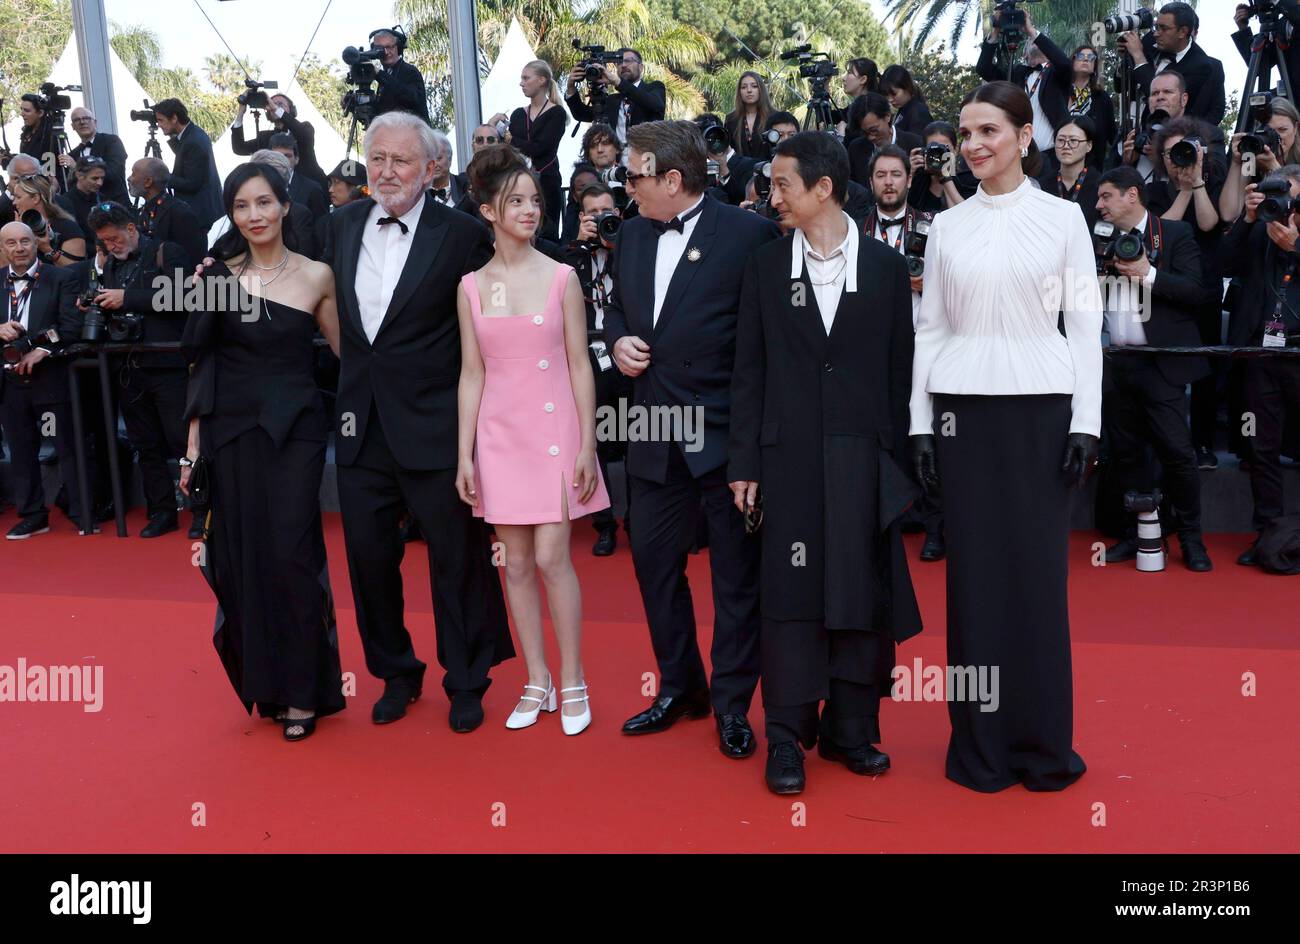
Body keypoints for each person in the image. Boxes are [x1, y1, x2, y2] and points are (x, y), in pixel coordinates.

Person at [909, 81, 1101, 792]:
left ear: (1026, 136)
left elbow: (1086, 328)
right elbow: (931, 331)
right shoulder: (946, 227)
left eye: (989, 130)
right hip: (962, 413)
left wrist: (1087, 422)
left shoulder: (1064, 220)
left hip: (1043, 414)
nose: (974, 145)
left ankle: (1043, 745)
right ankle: (981, 748)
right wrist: (921, 424)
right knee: (974, 585)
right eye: (965, 133)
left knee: (1038, 585)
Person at [728, 131, 921, 794]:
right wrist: (743, 464)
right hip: (788, 461)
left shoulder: (890, 272)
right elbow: (747, 372)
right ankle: (785, 737)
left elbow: (902, 377)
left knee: (860, 596)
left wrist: (895, 464)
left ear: (823, 189)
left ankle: (850, 730)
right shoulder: (764, 266)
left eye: (782, 183)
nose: (770, 194)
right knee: (789, 600)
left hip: (864, 461)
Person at [323, 110, 513, 733]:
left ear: (432, 169)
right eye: (377, 159)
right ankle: (395, 672)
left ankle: (466, 678)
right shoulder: (338, 225)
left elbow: (496, 314)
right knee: (368, 559)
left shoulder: (461, 234)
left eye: (400, 160)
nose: (385, 172)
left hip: (436, 423)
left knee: (455, 558)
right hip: (359, 422)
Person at [603, 120, 780, 758]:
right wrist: (617, 338)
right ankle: (682, 687)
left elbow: (766, 343)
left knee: (736, 580)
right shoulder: (628, 236)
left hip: (724, 439)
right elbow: (619, 308)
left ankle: (733, 707)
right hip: (652, 431)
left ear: (672, 179)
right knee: (653, 565)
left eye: (635, 175)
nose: (626, 186)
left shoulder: (750, 234)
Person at [178, 162, 343, 741]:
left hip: (295, 429)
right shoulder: (217, 277)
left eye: (264, 203)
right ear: (232, 214)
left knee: (293, 553)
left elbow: (349, 355)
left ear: (285, 206)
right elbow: (203, 364)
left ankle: (305, 691)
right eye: (242, 206)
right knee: (245, 558)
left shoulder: (318, 275)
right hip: (232, 433)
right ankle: (269, 687)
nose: (254, 216)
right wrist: (194, 444)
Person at [455, 145, 607, 735]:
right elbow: (472, 373)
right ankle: (535, 678)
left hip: (554, 431)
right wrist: (463, 451)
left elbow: (578, 366)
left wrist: (588, 444)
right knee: (514, 563)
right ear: (489, 210)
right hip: (498, 435)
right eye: (515, 201)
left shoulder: (562, 277)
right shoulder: (470, 287)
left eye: (535, 201)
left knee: (549, 556)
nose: (528, 211)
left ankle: (573, 678)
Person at [1094, 165, 1213, 571]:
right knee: (1127, 456)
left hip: (1162, 363)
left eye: (1106, 196)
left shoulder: (1174, 234)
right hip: (1118, 363)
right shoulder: (1098, 239)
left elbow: (1199, 293)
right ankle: (1137, 535)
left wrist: (1149, 273)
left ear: (1132, 195)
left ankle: (1192, 540)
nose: (1099, 205)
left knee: (1178, 453)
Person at [83, 201, 196, 539]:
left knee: (183, 444)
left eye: (115, 238)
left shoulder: (166, 252)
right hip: (128, 367)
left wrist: (126, 298)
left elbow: (184, 298)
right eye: (104, 242)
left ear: (132, 229)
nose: (111, 246)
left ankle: (207, 512)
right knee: (145, 444)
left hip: (167, 364)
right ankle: (161, 511)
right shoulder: (111, 267)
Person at [1221, 168, 1300, 566]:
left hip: (1298, 353)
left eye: (1290, 198)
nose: (1282, 206)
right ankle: (1269, 532)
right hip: (1260, 354)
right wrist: (1248, 218)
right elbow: (1221, 264)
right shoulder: (1257, 226)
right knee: (1261, 448)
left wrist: (1297, 247)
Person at [1147, 116, 1226, 469]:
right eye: (1168, 152)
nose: (1174, 158)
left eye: (1183, 150)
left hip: (1204, 290)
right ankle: (1163, 442)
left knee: (1205, 369)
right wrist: (1182, 188)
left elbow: (1210, 223)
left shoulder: (1211, 184)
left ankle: (1203, 444)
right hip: (1164, 290)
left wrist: (1196, 184)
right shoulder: (1152, 192)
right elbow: (1162, 232)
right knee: (1164, 370)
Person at [0, 221, 86, 539]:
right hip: (9, 383)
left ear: (36, 243)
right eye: (11, 243)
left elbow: (71, 326)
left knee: (67, 447)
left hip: (49, 378)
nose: (19, 248)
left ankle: (81, 512)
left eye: (25, 241)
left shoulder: (61, 277)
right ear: (3, 248)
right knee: (21, 452)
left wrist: (42, 349)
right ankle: (33, 515)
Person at [562, 182, 632, 554]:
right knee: (597, 442)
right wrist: (579, 245)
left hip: (631, 352)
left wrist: (615, 244)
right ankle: (604, 524)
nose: (604, 218)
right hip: (589, 356)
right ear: (582, 216)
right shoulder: (569, 256)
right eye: (594, 213)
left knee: (640, 438)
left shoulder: (633, 246)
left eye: (609, 211)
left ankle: (637, 520)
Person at [976, 9, 1074, 163]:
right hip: (1017, 157)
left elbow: (1064, 63)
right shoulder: (1016, 73)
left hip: (1050, 157)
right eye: (1029, 41)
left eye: (1035, 40)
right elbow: (983, 69)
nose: (1033, 42)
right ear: (1024, 54)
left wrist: (1030, 31)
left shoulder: (1057, 73)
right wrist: (996, 30)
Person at [488, 61, 567, 242]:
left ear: (541, 80)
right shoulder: (518, 114)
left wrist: (512, 139)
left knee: (547, 235)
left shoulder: (557, 113)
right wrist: (493, 125)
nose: (521, 83)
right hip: (518, 181)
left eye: (526, 78)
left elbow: (542, 148)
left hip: (547, 181)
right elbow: (505, 149)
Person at [1119, 2, 1226, 127]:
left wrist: (1138, 56)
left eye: (1164, 28)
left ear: (1182, 32)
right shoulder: (1150, 40)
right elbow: (1119, 85)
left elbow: (1159, 97)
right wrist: (1125, 59)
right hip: (1138, 130)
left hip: (1174, 135)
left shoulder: (1201, 65)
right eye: (1156, 27)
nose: (1156, 33)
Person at [566, 49, 665, 146]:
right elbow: (582, 114)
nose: (624, 65)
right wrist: (570, 87)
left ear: (641, 67)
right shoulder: (612, 100)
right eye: (619, 62)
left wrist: (617, 82)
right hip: (616, 160)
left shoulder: (655, 87)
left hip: (646, 158)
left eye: (628, 61)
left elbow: (655, 104)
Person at [230, 92, 328, 190]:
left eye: (280, 104)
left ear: (291, 109)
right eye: (271, 103)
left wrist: (276, 109)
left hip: (313, 190)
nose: (274, 106)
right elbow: (239, 148)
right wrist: (240, 114)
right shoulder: (265, 138)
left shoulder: (304, 128)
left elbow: (302, 133)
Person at [154, 99, 222, 230]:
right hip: (202, 208)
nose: (158, 125)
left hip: (199, 212)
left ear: (174, 118)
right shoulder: (192, 134)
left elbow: (192, 183)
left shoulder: (193, 141)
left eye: (161, 120)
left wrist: (163, 177)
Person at [128, 158, 206, 269]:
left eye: (133, 174)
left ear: (148, 182)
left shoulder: (179, 212)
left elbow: (193, 258)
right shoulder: (144, 210)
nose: (129, 178)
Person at [9, 174, 85, 268]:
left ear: (35, 198)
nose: (14, 202)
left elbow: (77, 270)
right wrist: (17, 232)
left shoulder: (67, 227)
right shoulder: (19, 227)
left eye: (18, 197)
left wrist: (46, 249)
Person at [1039, 117, 1101, 229]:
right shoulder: (1041, 186)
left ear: (1089, 145)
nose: (1066, 146)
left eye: (1073, 141)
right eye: (1061, 140)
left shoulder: (1100, 186)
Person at [847, 93, 921, 187]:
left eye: (874, 130)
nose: (871, 137)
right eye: (865, 133)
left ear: (887, 116)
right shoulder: (856, 149)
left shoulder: (914, 144)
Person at [62, 107, 129, 204]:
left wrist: (77, 168)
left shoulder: (111, 141)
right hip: (85, 210)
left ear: (95, 122)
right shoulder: (73, 154)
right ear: (72, 126)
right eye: (77, 120)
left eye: (86, 118)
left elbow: (114, 173)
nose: (82, 122)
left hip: (115, 206)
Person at [907, 121, 976, 213]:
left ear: (956, 149)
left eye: (944, 149)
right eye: (934, 150)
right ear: (924, 152)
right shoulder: (918, 181)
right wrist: (909, 175)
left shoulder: (969, 179)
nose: (939, 155)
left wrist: (946, 177)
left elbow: (967, 217)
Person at [1065, 46, 1115, 171]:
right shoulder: (1060, 92)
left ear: (1095, 66)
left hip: (1092, 166)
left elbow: (1112, 135)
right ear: (1073, 61)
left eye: (1091, 58)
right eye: (1081, 56)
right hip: (1060, 160)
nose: (1086, 60)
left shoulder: (1102, 98)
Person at [370, 28, 430, 124]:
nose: (386, 52)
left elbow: (412, 98)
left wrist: (379, 74)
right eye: (380, 49)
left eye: (389, 47)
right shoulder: (386, 75)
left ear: (398, 47)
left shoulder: (410, 71)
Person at [269, 132, 329, 221]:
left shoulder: (312, 189)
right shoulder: (259, 186)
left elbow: (322, 227)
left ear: (296, 159)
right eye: (277, 156)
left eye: (287, 156)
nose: (282, 160)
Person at [725, 72, 775, 160]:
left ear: (761, 90)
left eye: (754, 86)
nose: (749, 90)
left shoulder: (774, 116)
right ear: (739, 92)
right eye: (744, 87)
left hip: (769, 170)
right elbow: (728, 151)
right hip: (739, 171)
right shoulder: (731, 119)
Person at [58, 156, 106, 242]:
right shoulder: (65, 202)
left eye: (102, 178)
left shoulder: (103, 199)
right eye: (94, 178)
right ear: (79, 175)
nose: (100, 183)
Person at [880, 65, 933, 139]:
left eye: (894, 94)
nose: (890, 100)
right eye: (886, 95)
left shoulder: (918, 112)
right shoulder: (904, 109)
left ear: (907, 87)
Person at [838, 58, 879, 149]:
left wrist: (841, 136)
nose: (843, 78)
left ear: (863, 79)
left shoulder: (870, 110)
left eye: (849, 73)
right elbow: (831, 115)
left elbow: (860, 151)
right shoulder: (854, 107)